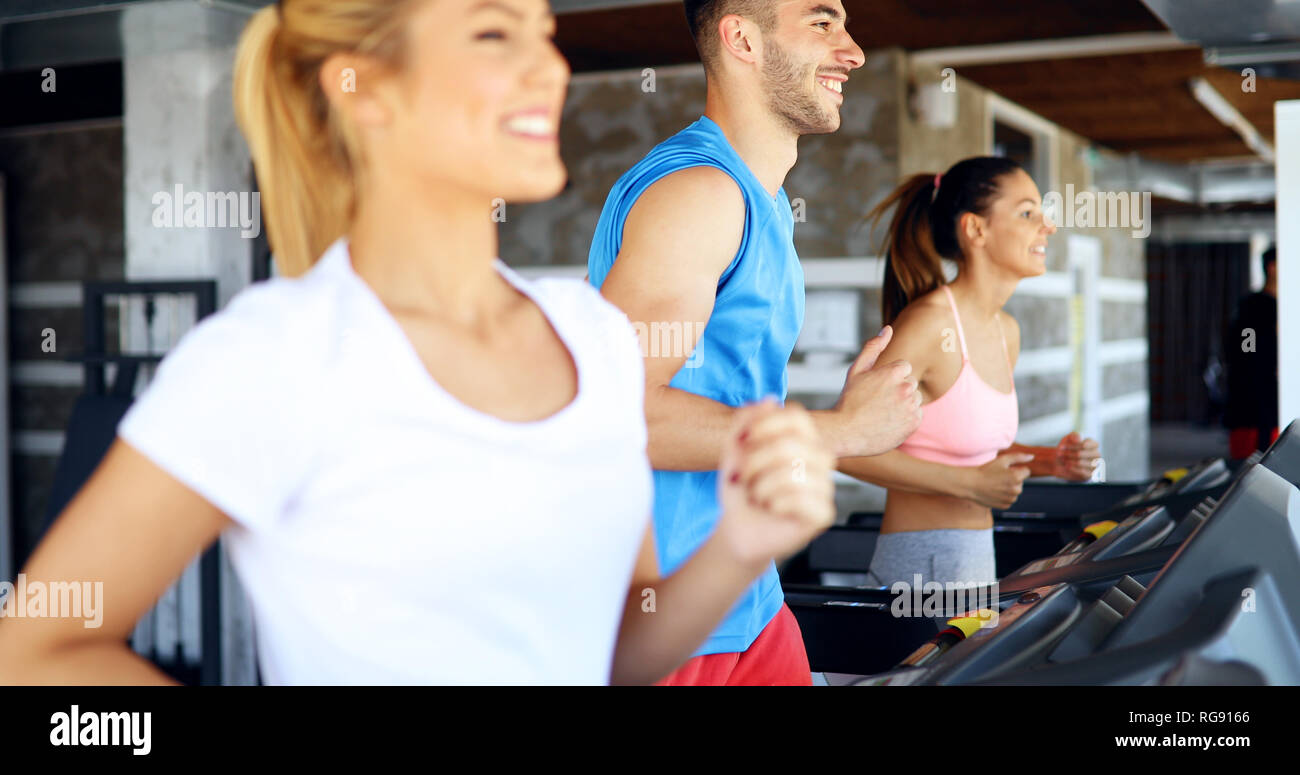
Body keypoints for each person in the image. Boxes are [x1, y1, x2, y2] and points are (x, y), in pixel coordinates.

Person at [0, 0, 838, 686]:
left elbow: (618, 655)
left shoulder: (595, 341)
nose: (547, 67)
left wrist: (739, 545)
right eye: (491, 33)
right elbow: (36, 648)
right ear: (366, 90)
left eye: (543, 33)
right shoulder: (275, 354)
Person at [588, 0, 922, 686]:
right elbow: (613, 410)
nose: (853, 51)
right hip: (675, 618)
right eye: (823, 23)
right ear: (741, 37)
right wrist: (841, 429)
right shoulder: (700, 193)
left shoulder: (758, 201)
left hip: (748, 594)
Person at [838, 157, 1100, 592]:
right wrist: (969, 484)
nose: (1047, 226)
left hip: (975, 553)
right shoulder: (928, 324)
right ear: (976, 230)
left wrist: (1051, 460)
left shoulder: (1006, 331)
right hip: (920, 566)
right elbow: (843, 446)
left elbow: (972, 448)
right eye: (1027, 212)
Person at [1224, 246, 1278, 459]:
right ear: (1273, 268)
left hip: (1274, 406)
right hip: (1254, 412)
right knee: (1253, 474)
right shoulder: (1252, 308)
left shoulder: (1287, 306)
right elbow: (1246, 353)